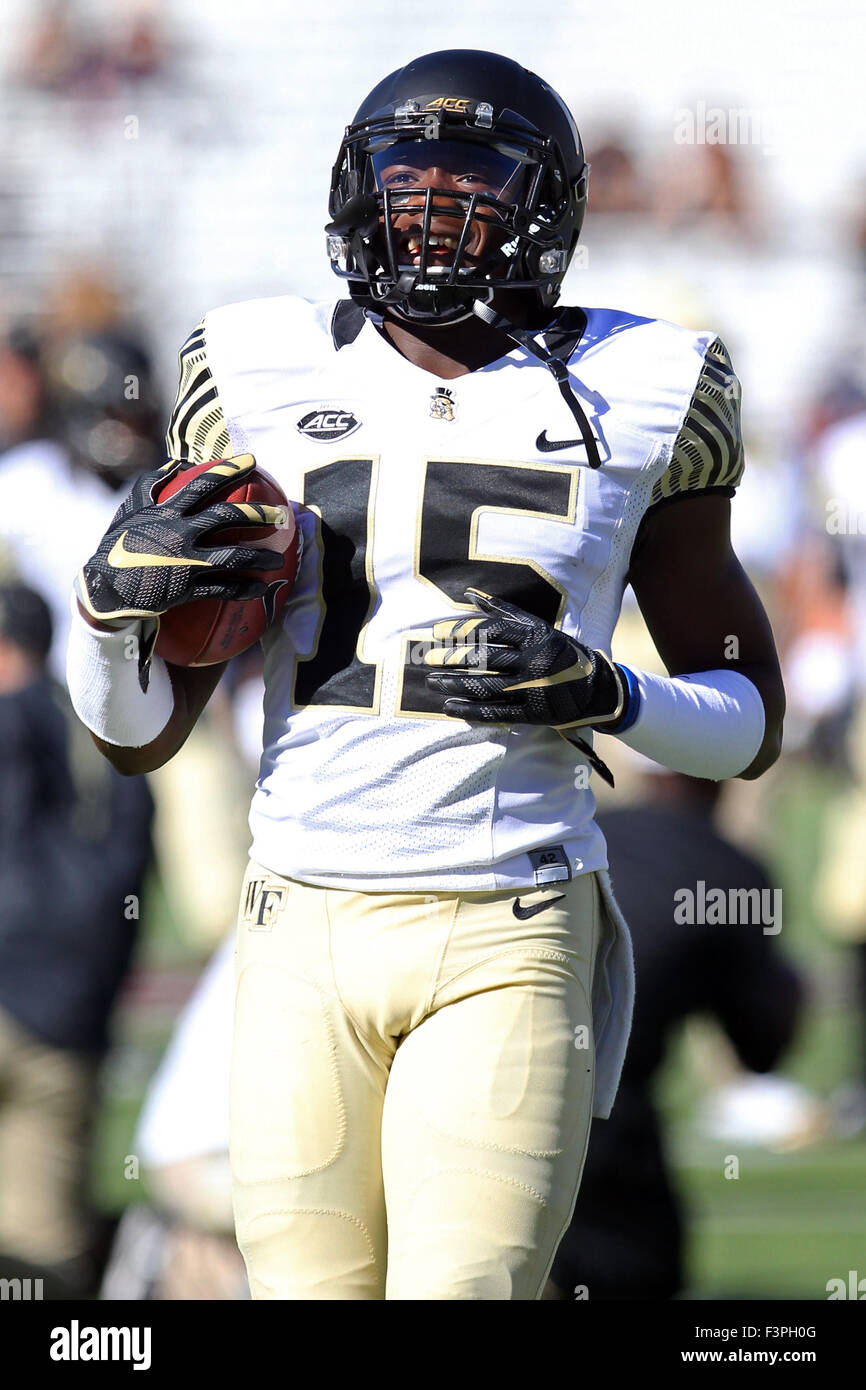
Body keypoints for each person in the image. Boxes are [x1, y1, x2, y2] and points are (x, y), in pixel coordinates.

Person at [66, 49, 785, 1300]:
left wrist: (604, 691)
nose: (432, 203)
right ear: (357, 191)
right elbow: (138, 737)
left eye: (471, 175)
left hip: (511, 915)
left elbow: (749, 718)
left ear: (545, 207)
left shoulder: (645, 384)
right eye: (407, 174)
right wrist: (105, 614)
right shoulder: (251, 366)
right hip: (296, 921)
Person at [545, 770, 803, 1300]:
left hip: (476, 1072)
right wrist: (792, 992)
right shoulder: (731, 871)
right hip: (605, 1117)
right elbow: (762, 1046)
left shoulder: (585, 832)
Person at [0, 582, 154, 1294]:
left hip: (40, 999)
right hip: (65, 1013)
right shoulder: (84, 727)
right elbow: (133, 835)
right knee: (41, 1254)